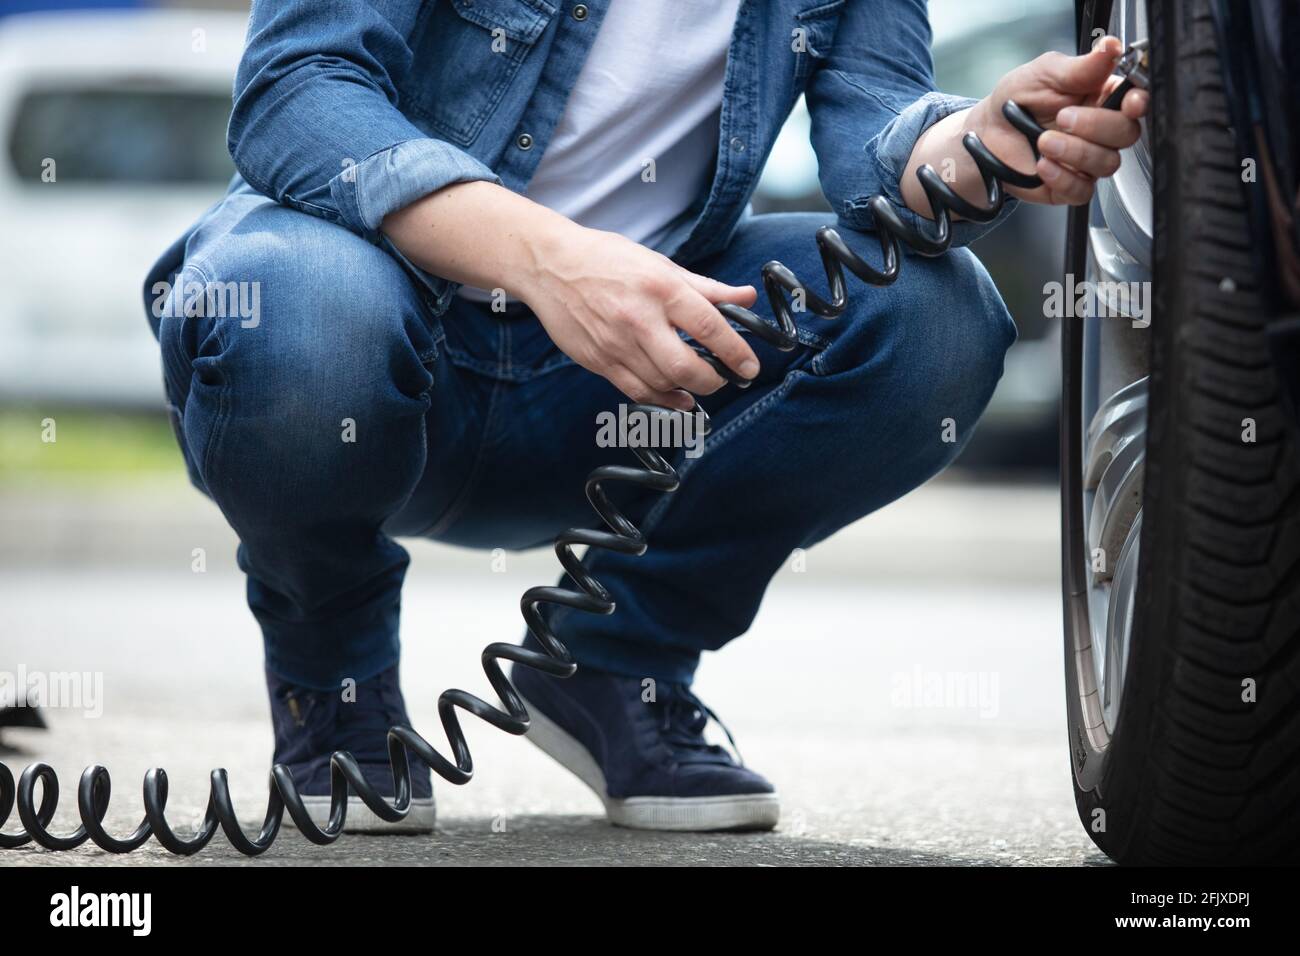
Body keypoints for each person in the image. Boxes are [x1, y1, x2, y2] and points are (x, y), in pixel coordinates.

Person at [144, 0, 1148, 833]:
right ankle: (334, 682)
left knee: (933, 320)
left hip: (628, 385)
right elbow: (296, 90)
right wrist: (552, 261)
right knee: (291, 312)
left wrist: (980, 140)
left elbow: (874, 130)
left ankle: (615, 661)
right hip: (368, 335)